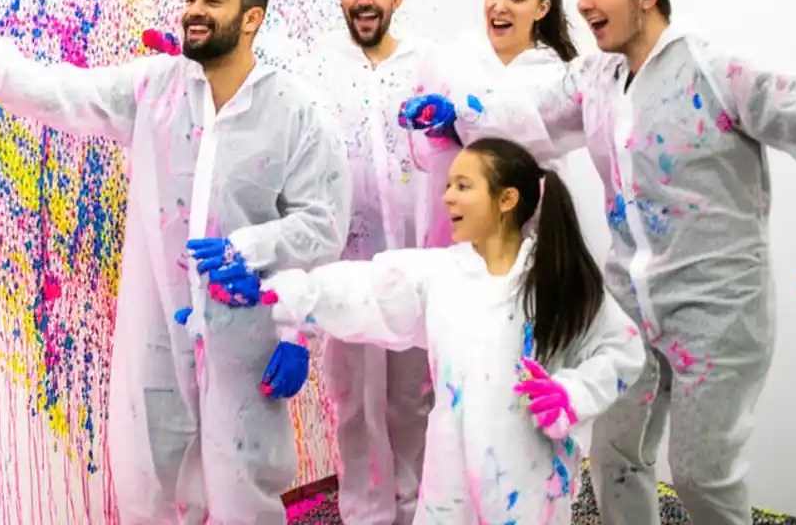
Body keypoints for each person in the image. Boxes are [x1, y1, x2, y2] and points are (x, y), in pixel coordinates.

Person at [400, 0, 796, 525]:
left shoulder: (717, 72)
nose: (584, 3)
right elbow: (531, 114)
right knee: (614, 457)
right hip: (629, 304)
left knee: (701, 475)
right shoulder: (597, 77)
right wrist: (456, 117)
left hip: (718, 307)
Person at [0, 0, 354, 524]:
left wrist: (288, 318)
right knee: (149, 484)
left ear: (251, 18)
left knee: (244, 491)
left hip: (246, 337)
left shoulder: (295, 112)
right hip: (157, 339)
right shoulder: (156, 89)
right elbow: (63, 92)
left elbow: (321, 223)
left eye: (213, 1)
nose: (194, 11)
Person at [254, 137, 646, 524]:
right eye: (448, 186)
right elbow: (362, 288)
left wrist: (572, 394)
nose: (448, 198)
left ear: (507, 199)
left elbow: (621, 350)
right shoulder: (443, 275)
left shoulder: (555, 283)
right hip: (449, 485)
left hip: (528, 483)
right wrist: (280, 292)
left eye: (463, 186)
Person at [296, 0, 434, 524]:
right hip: (344, 265)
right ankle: (365, 515)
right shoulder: (315, 67)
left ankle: (414, 509)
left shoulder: (426, 65)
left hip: (416, 262)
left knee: (412, 398)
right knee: (354, 402)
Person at [405, 0, 609, 264]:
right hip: (457, 224)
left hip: (526, 224)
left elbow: (526, 136)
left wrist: (460, 121)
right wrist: (428, 126)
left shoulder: (555, 77)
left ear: (542, 9)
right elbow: (422, 154)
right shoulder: (454, 61)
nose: (499, 6)